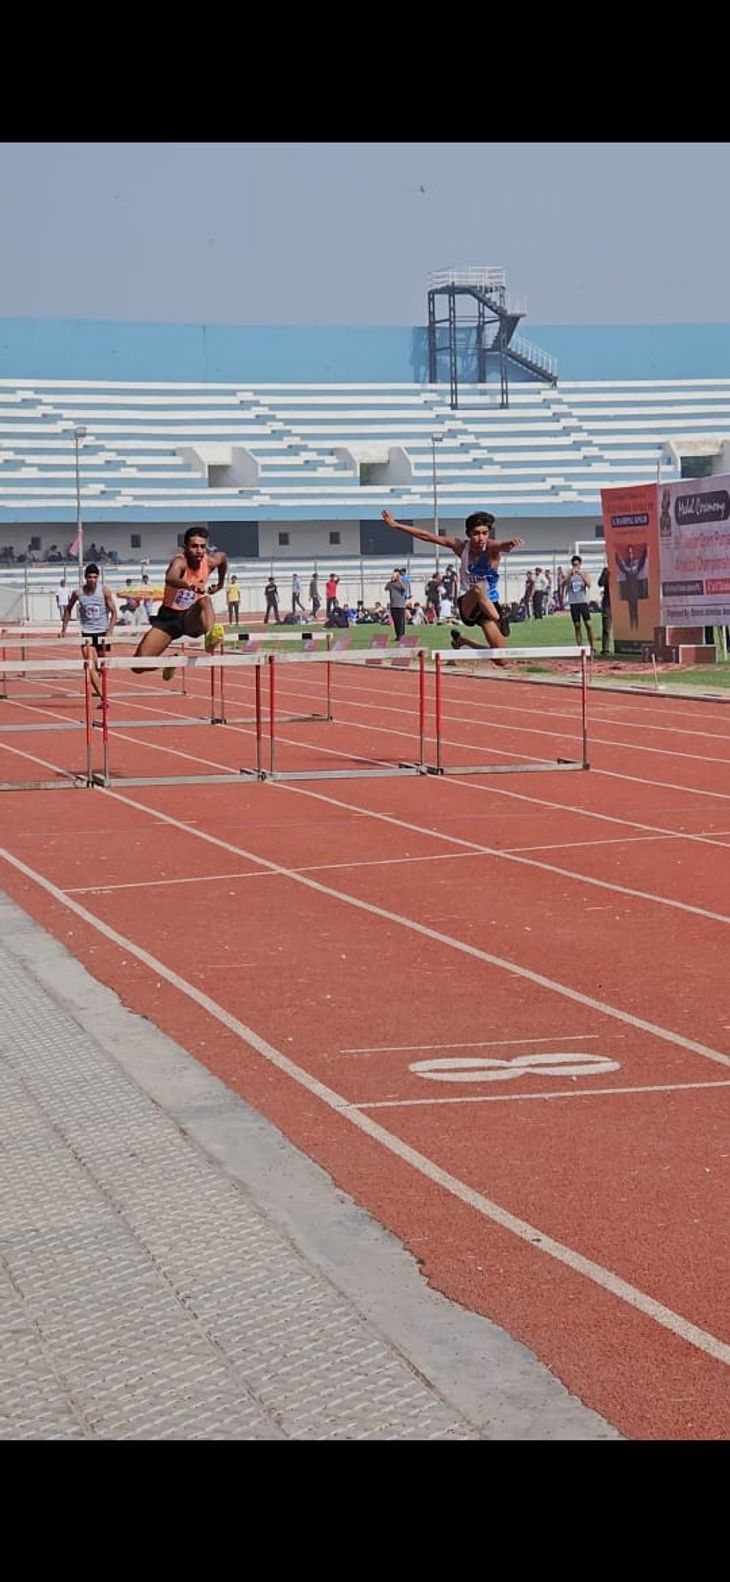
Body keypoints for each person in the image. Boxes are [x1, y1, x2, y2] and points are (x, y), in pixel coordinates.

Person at [381, 509, 523, 661]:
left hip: (488, 606)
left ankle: (462, 641)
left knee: (500, 659)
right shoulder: (461, 547)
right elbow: (428, 536)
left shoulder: (491, 548)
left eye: (485, 533)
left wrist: (509, 544)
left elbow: (502, 545)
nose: (481, 538)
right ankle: (500, 619)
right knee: (477, 588)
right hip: (468, 603)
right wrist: (396, 525)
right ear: (468, 534)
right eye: (476, 533)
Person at [132, 527, 227, 680]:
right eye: (194, 546)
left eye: (202, 546)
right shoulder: (180, 561)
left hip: (190, 616)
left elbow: (223, 558)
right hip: (169, 618)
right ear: (185, 547)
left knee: (204, 600)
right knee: (138, 665)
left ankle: (210, 637)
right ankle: (170, 661)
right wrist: (189, 585)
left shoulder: (209, 561)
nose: (199, 551)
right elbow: (170, 577)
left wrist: (221, 583)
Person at [61, 562, 117, 703]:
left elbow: (114, 612)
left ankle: (99, 686)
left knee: (101, 668)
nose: (92, 579)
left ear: (98, 578)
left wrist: (110, 630)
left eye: (94, 577)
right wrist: (64, 628)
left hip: (102, 633)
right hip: (87, 633)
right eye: (89, 577)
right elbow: (68, 609)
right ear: (85, 578)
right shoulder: (78, 593)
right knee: (89, 666)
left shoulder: (104, 591)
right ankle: (103, 699)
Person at [564, 555, 596, 655]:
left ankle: (592, 647)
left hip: (582, 602)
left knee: (588, 625)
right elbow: (563, 584)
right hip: (573, 602)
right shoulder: (568, 573)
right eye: (574, 565)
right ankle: (580, 648)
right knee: (577, 625)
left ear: (580, 565)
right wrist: (570, 575)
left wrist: (581, 575)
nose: (575, 566)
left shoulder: (585, 573)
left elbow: (589, 585)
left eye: (577, 565)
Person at [615, 543, 648, 633]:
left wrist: (645, 550)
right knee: (630, 611)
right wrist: (615, 554)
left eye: (631, 552)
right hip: (628, 591)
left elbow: (642, 562)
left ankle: (637, 628)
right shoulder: (626, 565)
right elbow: (621, 566)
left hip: (636, 590)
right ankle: (631, 628)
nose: (630, 554)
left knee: (635, 610)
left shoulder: (636, 565)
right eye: (628, 552)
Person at [385, 567, 408, 640]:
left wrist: (399, 580)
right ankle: (398, 635)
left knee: (401, 621)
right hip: (393, 605)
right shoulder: (391, 583)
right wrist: (390, 581)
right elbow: (386, 588)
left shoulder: (402, 581)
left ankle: (402, 635)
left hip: (400, 605)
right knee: (395, 621)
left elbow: (404, 589)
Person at [598, 564, 612, 656]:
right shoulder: (606, 571)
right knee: (606, 627)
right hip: (608, 602)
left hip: (621, 601)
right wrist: (605, 574)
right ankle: (605, 649)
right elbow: (600, 583)